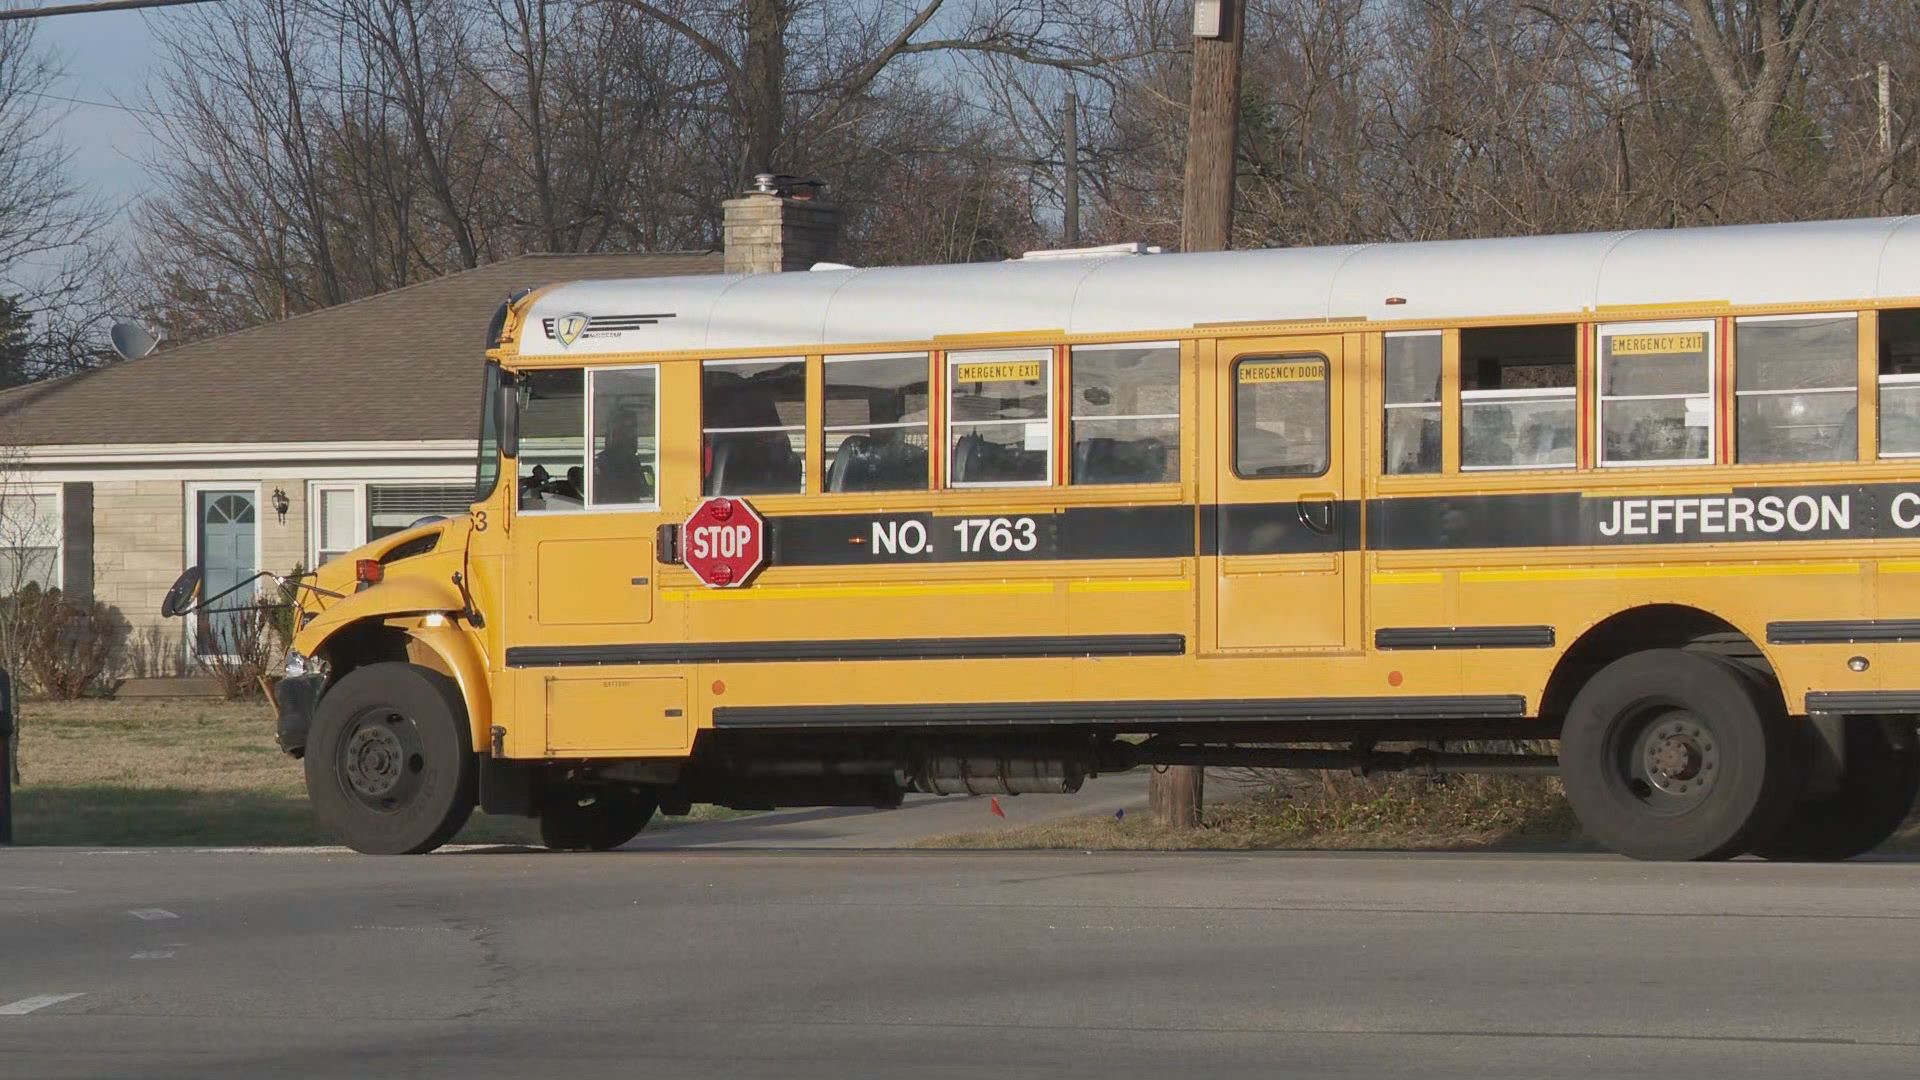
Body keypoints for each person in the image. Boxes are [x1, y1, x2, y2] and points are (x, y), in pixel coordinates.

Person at [595, 410, 651, 504]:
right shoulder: (604, 460)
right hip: (614, 505)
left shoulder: (631, 458)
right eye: (623, 432)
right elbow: (641, 490)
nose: (629, 437)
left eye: (631, 432)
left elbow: (642, 490)